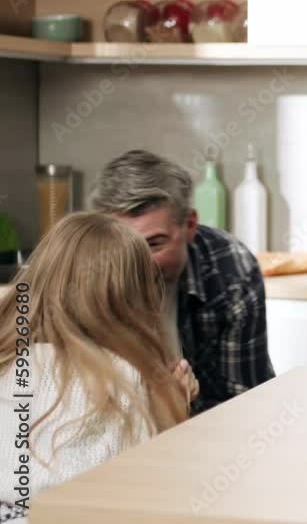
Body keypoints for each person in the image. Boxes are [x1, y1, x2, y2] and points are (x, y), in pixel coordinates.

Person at [0, 212, 190, 523]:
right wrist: (173, 404)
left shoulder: (7, 358)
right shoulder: (124, 377)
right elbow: (157, 487)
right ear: (135, 298)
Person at [93, 150, 275, 413]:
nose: (140, 264)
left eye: (155, 244)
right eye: (124, 245)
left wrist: (177, 407)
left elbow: (242, 404)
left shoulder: (232, 270)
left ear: (189, 225)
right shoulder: (82, 276)